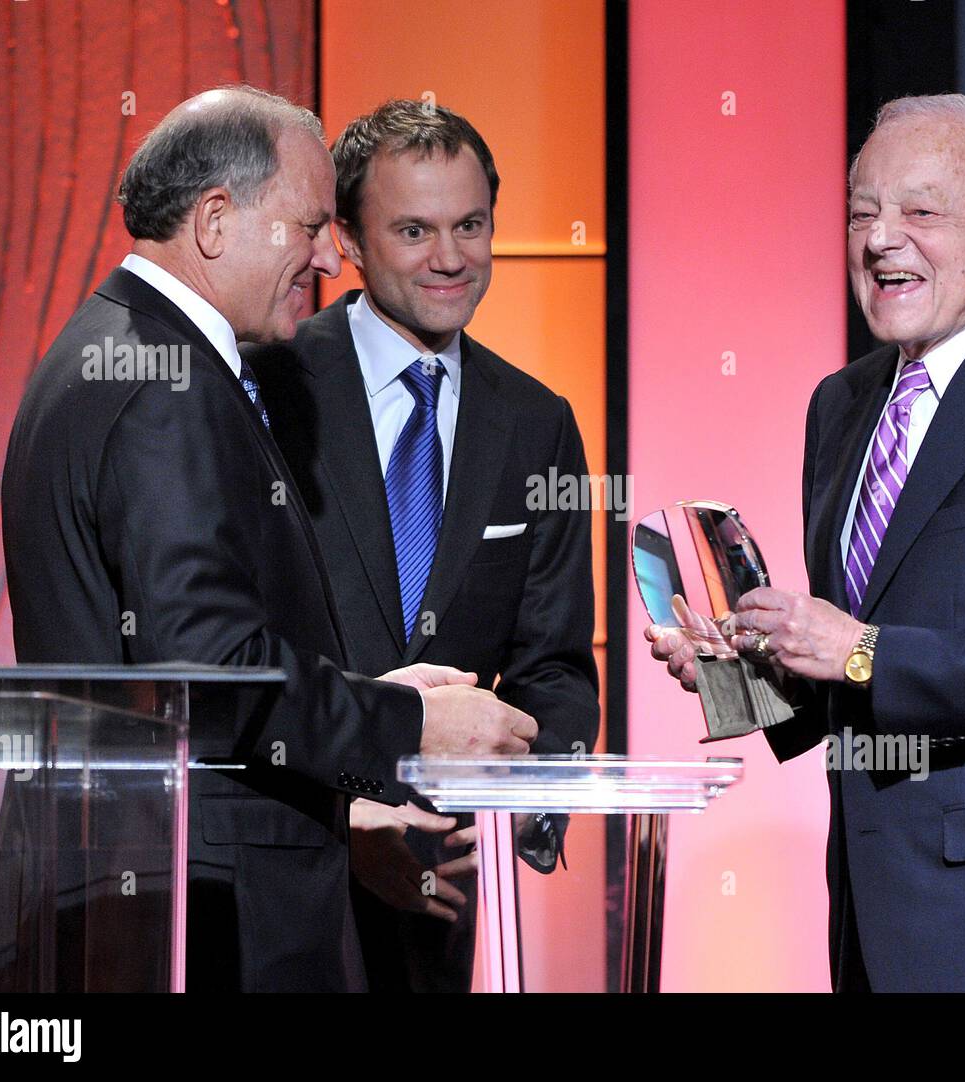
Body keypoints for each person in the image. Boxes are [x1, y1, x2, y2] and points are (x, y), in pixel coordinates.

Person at [0, 86, 535, 992]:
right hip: (194, 914)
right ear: (213, 221)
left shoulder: (108, 347)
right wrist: (410, 724)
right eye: (308, 225)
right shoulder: (168, 387)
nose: (327, 257)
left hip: (135, 894)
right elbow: (204, 664)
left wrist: (363, 693)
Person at [647, 94, 965, 992]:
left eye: (920, 211)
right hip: (870, 917)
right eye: (861, 211)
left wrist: (854, 650)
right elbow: (858, 673)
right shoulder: (840, 406)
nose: (880, 238)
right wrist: (747, 674)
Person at [246, 99, 599, 992]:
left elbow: (554, 666)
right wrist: (345, 808)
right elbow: (230, 645)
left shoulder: (537, 422)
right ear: (351, 242)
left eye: (470, 225)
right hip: (281, 868)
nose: (450, 258)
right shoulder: (262, 392)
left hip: (441, 886)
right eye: (414, 229)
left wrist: (522, 814)